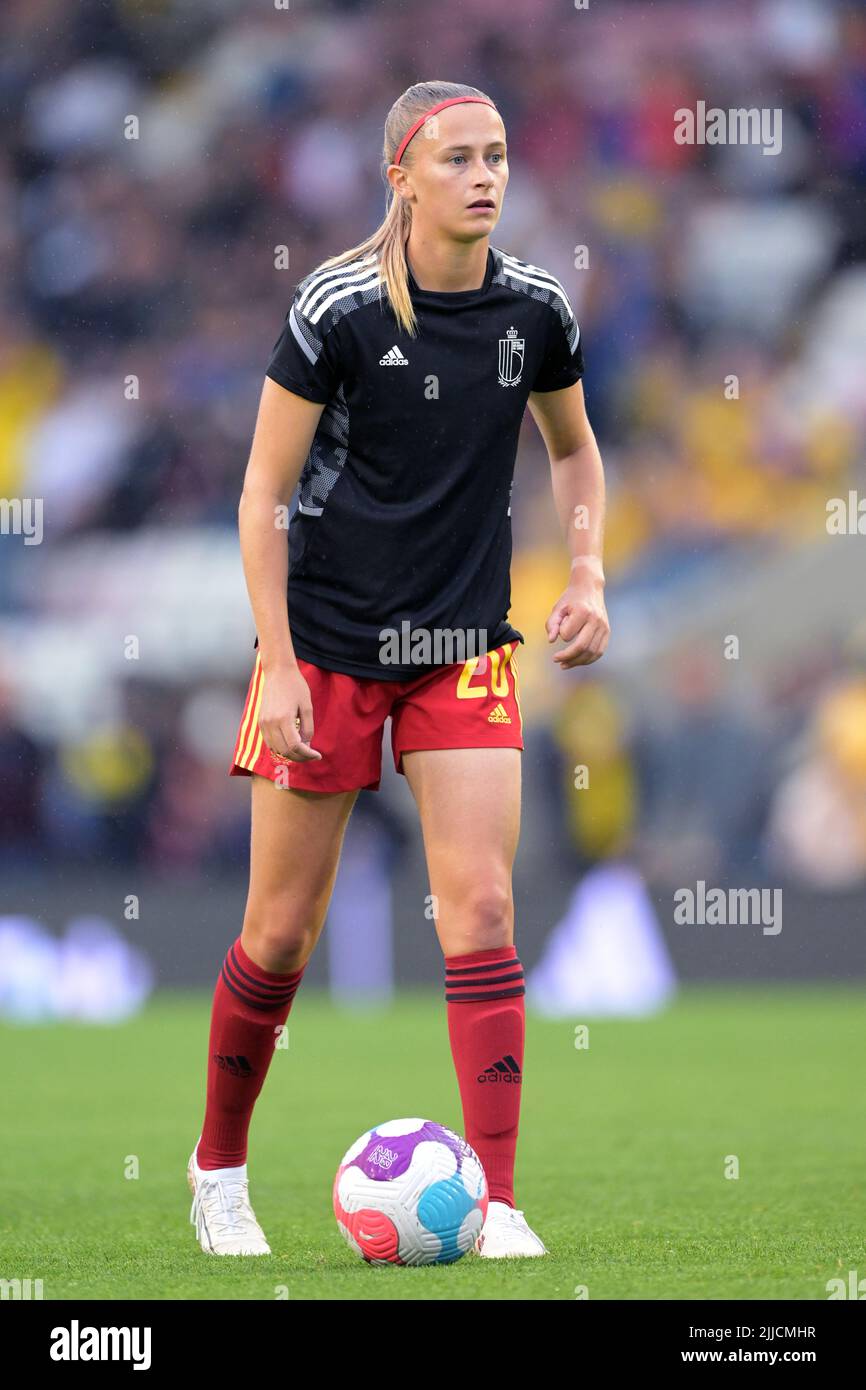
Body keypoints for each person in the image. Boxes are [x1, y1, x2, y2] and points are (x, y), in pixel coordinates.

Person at [188, 81, 609, 1260]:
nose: (485, 176)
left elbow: (574, 451)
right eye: (459, 158)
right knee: (279, 931)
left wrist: (584, 573)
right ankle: (217, 1169)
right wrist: (273, 661)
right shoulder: (334, 308)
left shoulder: (534, 311)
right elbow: (262, 495)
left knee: (479, 904)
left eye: (499, 156)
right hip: (321, 647)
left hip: (461, 646)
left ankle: (503, 1201)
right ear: (401, 177)